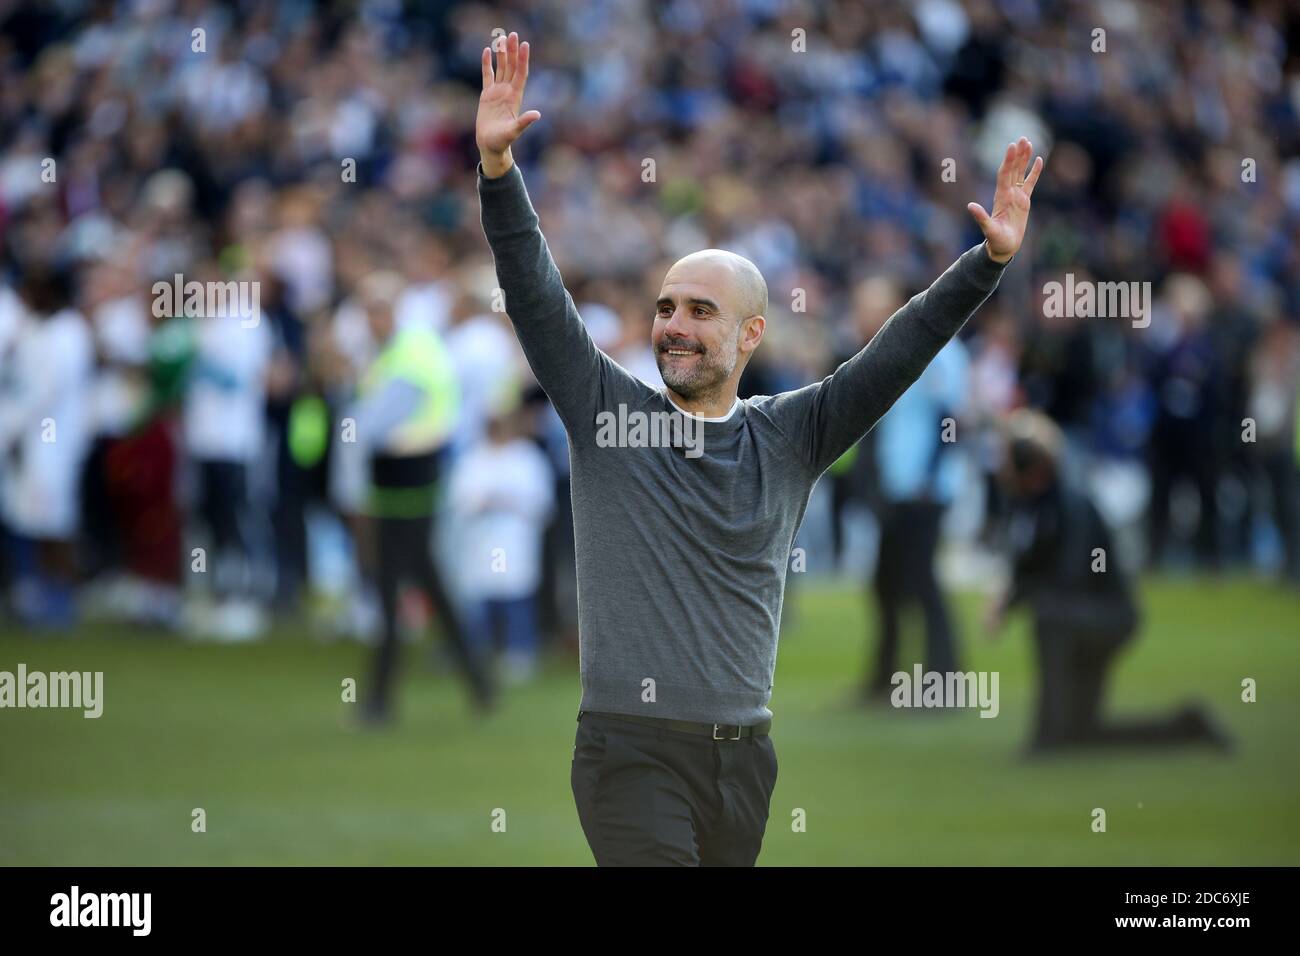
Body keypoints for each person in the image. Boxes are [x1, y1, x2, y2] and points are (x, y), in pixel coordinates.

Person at [476, 32, 1040, 865]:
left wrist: (987, 262)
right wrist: (498, 172)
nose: (674, 325)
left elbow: (896, 353)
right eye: (667, 307)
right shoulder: (604, 410)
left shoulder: (791, 433)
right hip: (628, 753)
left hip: (745, 758)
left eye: (701, 311)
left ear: (751, 333)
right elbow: (532, 289)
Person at [983, 409, 1232, 755]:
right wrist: (1007, 601)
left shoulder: (1073, 506)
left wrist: (1017, 598)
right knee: (1084, 733)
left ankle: (1047, 739)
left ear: (1035, 471)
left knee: (1048, 617)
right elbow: (1031, 567)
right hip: (1083, 615)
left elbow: (1066, 577)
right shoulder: (1036, 506)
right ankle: (1188, 726)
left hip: (1107, 617)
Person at [342, 271, 494, 723]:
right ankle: (480, 684)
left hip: (405, 485)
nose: (370, 320)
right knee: (429, 582)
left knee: (390, 589)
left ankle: (378, 700)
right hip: (407, 483)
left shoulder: (407, 356)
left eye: (376, 311)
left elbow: (372, 427)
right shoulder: (407, 350)